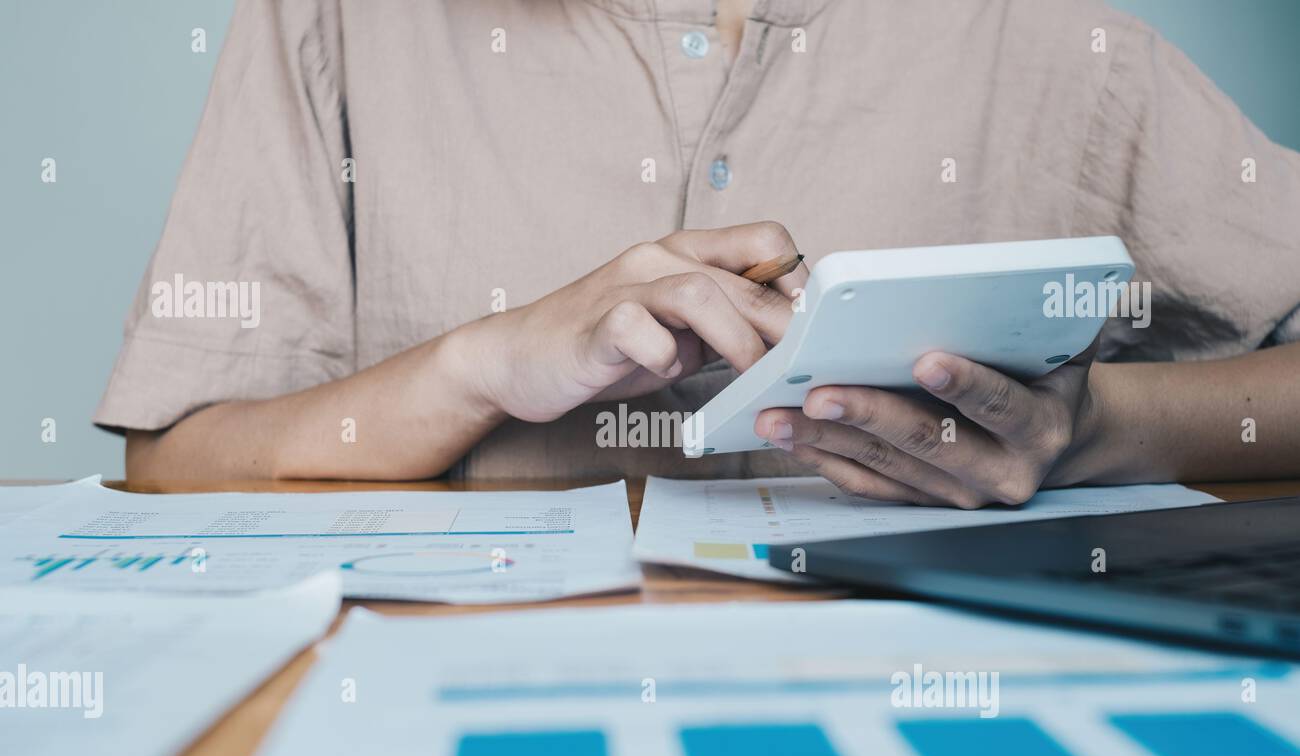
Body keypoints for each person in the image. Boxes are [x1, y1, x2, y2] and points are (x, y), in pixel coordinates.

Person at [97, 0, 1300, 508]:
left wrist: (1091, 430)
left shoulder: (1048, 42)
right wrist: (473, 369)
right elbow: (176, 458)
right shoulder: (338, 23)